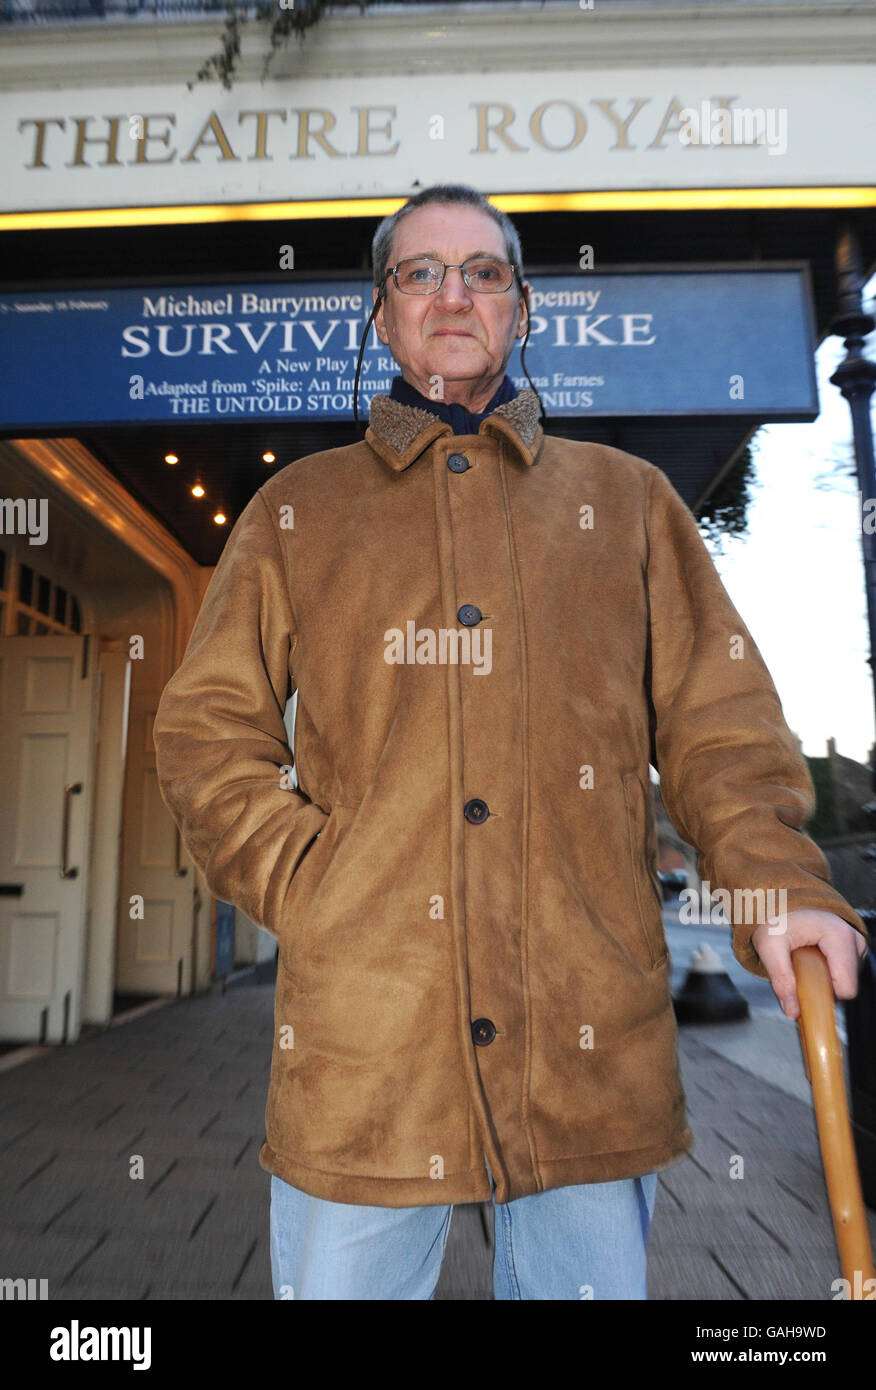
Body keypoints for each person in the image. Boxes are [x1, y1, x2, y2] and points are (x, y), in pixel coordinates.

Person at [152, 184, 869, 1300]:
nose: (453, 294)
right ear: (381, 316)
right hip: (366, 1056)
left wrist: (781, 885)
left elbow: (718, 727)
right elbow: (206, 736)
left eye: (483, 272)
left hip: (588, 1044)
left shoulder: (627, 503)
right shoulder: (299, 510)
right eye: (421, 272)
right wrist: (312, 880)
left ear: (523, 309)